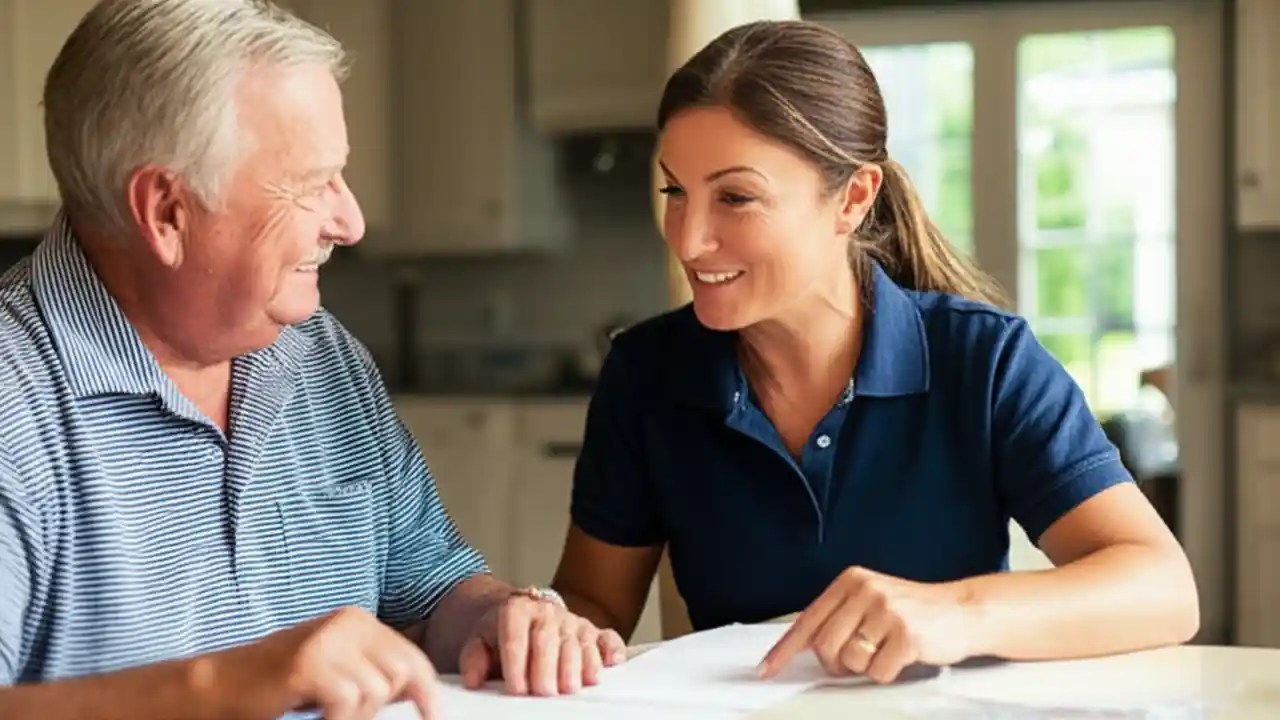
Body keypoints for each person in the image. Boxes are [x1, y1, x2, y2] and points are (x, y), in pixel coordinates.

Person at [0, 1, 624, 718]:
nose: (349, 222)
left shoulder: (322, 354)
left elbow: (429, 596)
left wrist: (501, 616)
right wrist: (224, 686)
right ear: (166, 211)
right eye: (309, 184)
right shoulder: (14, 401)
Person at [550, 19, 1199, 685]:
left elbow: (1164, 589)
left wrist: (955, 613)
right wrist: (544, 621)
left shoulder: (984, 361)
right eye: (675, 192)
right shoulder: (645, 375)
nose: (688, 240)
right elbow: (593, 604)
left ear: (853, 199)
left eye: (736, 197)